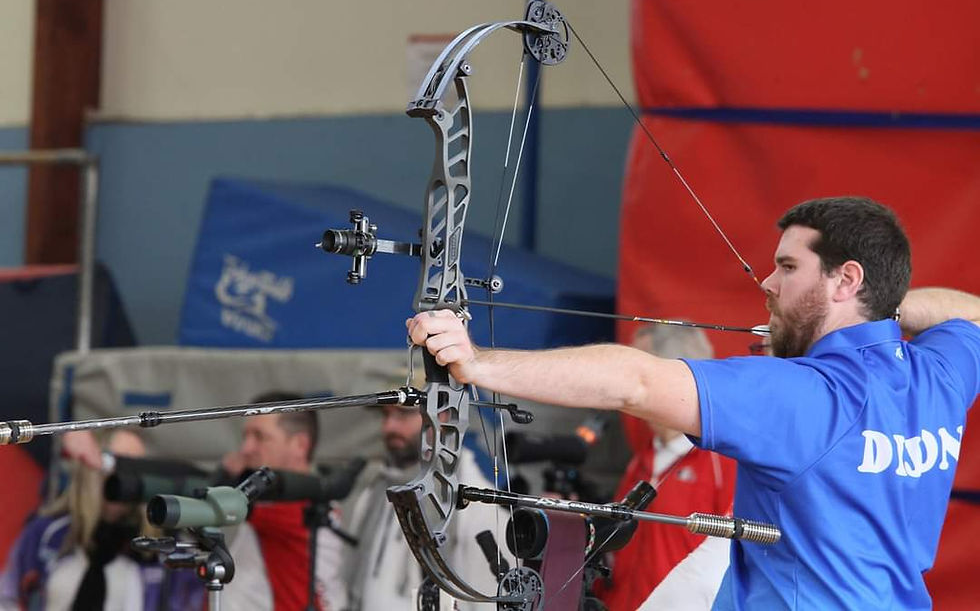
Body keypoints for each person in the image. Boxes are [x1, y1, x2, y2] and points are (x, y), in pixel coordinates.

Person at [407, 196, 980, 609]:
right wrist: (880, 312)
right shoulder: (940, 373)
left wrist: (477, 362)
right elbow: (972, 314)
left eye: (788, 268)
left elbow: (635, 382)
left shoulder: (804, 394)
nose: (769, 285)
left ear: (845, 280)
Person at [599, 325, 735, 611]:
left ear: (675, 377)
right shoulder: (644, 457)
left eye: (641, 370)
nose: (627, 382)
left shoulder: (725, 464)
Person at [342, 376, 503, 611]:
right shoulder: (376, 487)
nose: (389, 427)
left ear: (443, 416)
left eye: (403, 414)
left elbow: (487, 600)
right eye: (386, 415)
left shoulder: (473, 497)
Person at [0, 430, 202, 611]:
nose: (125, 476)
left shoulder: (163, 547)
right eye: (116, 463)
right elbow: (8, 597)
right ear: (92, 466)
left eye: (136, 467)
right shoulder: (47, 533)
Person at [220, 392, 346, 611]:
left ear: (299, 445)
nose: (246, 449)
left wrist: (223, 477)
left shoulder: (304, 508)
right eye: (245, 437)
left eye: (260, 437)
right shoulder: (268, 504)